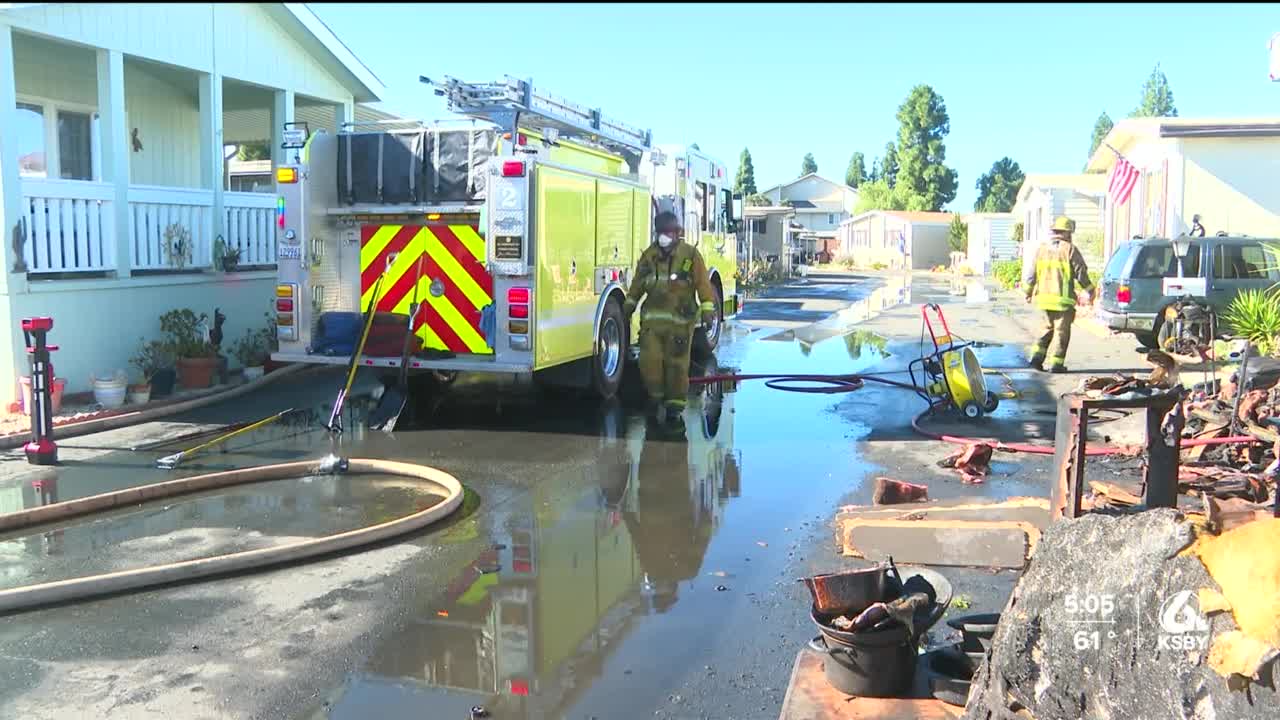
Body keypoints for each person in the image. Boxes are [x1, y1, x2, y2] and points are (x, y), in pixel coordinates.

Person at [625, 211, 717, 430]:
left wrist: (707, 310)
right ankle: (655, 399)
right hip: (652, 325)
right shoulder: (649, 256)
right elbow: (638, 283)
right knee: (650, 363)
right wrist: (628, 306)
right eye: (660, 232)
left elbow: (703, 284)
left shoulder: (690, 256)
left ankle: (675, 409)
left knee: (677, 366)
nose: (663, 237)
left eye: (668, 232)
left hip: (680, 325)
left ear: (678, 233)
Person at [1023, 216, 1093, 374]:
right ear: (1067, 233)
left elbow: (1031, 273)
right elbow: (1081, 273)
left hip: (1044, 300)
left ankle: (1036, 359)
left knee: (1045, 330)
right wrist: (1089, 289)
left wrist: (1028, 292)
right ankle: (1056, 364)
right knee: (1061, 333)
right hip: (1062, 302)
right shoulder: (1070, 249)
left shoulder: (1041, 249)